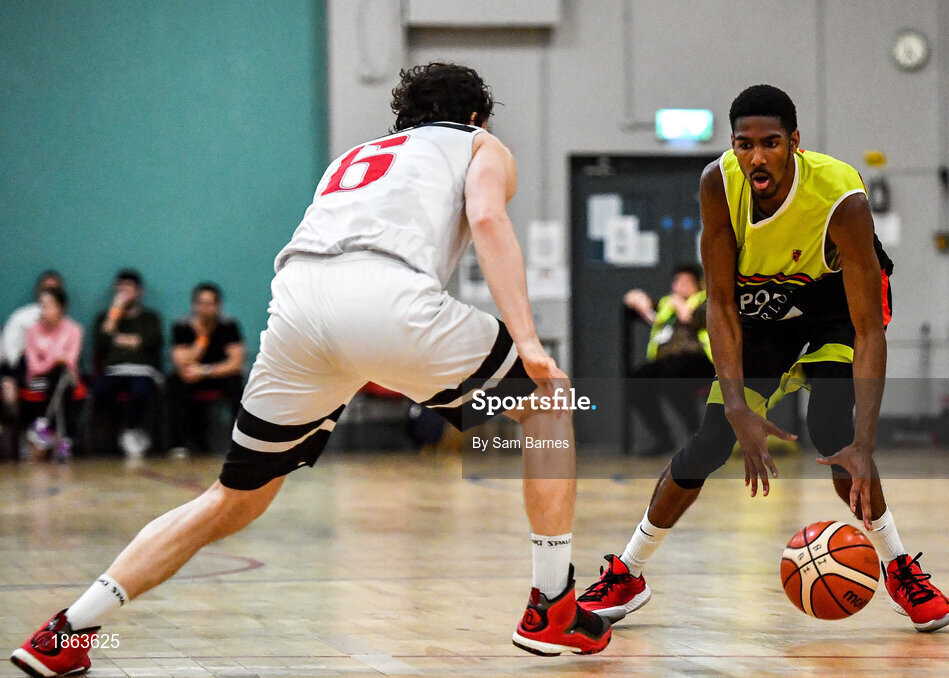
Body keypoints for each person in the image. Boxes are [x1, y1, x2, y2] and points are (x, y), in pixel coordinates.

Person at [10, 62, 609, 678]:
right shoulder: (480, 143)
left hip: (297, 308)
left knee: (232, 499)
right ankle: (552, 606)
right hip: (388, 299)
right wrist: (531, 342)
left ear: (402, 118)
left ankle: (67, 631)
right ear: (476, 115)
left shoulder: (355, 156)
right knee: (550, 404)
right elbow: (486, 218)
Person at [578, 85, 949, 633]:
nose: (756, 156)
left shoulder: (839, 194)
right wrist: (735, 405)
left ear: (795, 143)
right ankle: (628, 572)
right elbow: (722, 302)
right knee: (709, 440)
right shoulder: (718, 182)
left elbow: (870, 330)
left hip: (832, 310)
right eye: (744, 144)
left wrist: (866, 438)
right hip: (760, 311)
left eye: (771, 143)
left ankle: (899, 569)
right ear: (732, 146)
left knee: (833, 431)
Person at [624, 264, 715, 454]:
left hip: (699, 361)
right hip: (666, 362)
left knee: (674, 377)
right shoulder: (666, 303)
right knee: (637, 380)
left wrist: (679, 303)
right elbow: (636, 301)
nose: (680, 286)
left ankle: (696, 433)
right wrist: (637, 299)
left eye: (686, 282)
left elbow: (692, 319)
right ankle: (663, 438)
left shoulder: (706, 302)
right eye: (677, 281)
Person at [90, 269, 164, 458]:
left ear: (139, 292)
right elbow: (102, 341)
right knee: (102, 390)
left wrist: (119, 339)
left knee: (140, 390)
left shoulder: (150, 318)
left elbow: (151, 342)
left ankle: (132, 430)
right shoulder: (104, 318)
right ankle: (113, 436)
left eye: (128, 288)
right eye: (120, 289)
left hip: (143, 372)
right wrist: (115, 313)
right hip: (114, 371)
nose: (123, 293)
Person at [166, 283, 245, 456]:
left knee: (237, 385)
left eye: (210, 304)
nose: (205, 308)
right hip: (192, 376)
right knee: (174, 383)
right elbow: (181, 361)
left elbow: (235, 363)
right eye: (201, 303)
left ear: (218, 306)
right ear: (194, 305)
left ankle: (240, 443)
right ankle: (179, 444)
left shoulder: (229, 326)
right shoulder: (182, 326)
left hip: (218, 375)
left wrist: (205, 371)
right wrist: (202, 338)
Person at [0, 271, 65, 460]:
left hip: (51, 373)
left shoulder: (69, 326)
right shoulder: (23, 318)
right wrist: (8, 376)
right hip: (24, 370)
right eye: (46, 289)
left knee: (58, 383)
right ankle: (27, 437)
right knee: (20, 390)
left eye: (54, 289)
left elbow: (67, 356)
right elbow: (13, 353)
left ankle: (48, 437)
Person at [21, 288, 85, 462]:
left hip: (67, 380)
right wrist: (54, 359)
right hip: (37, 382)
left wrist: (48, 359)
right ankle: (64, 440)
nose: (44, 310)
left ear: (60, 307)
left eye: (49, 305)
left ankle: (43, 425)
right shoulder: (33, 331)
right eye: (42, 305)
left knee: (61, 377)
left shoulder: (74, 330)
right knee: (57, 381)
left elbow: (70, 361)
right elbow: (33, 366)